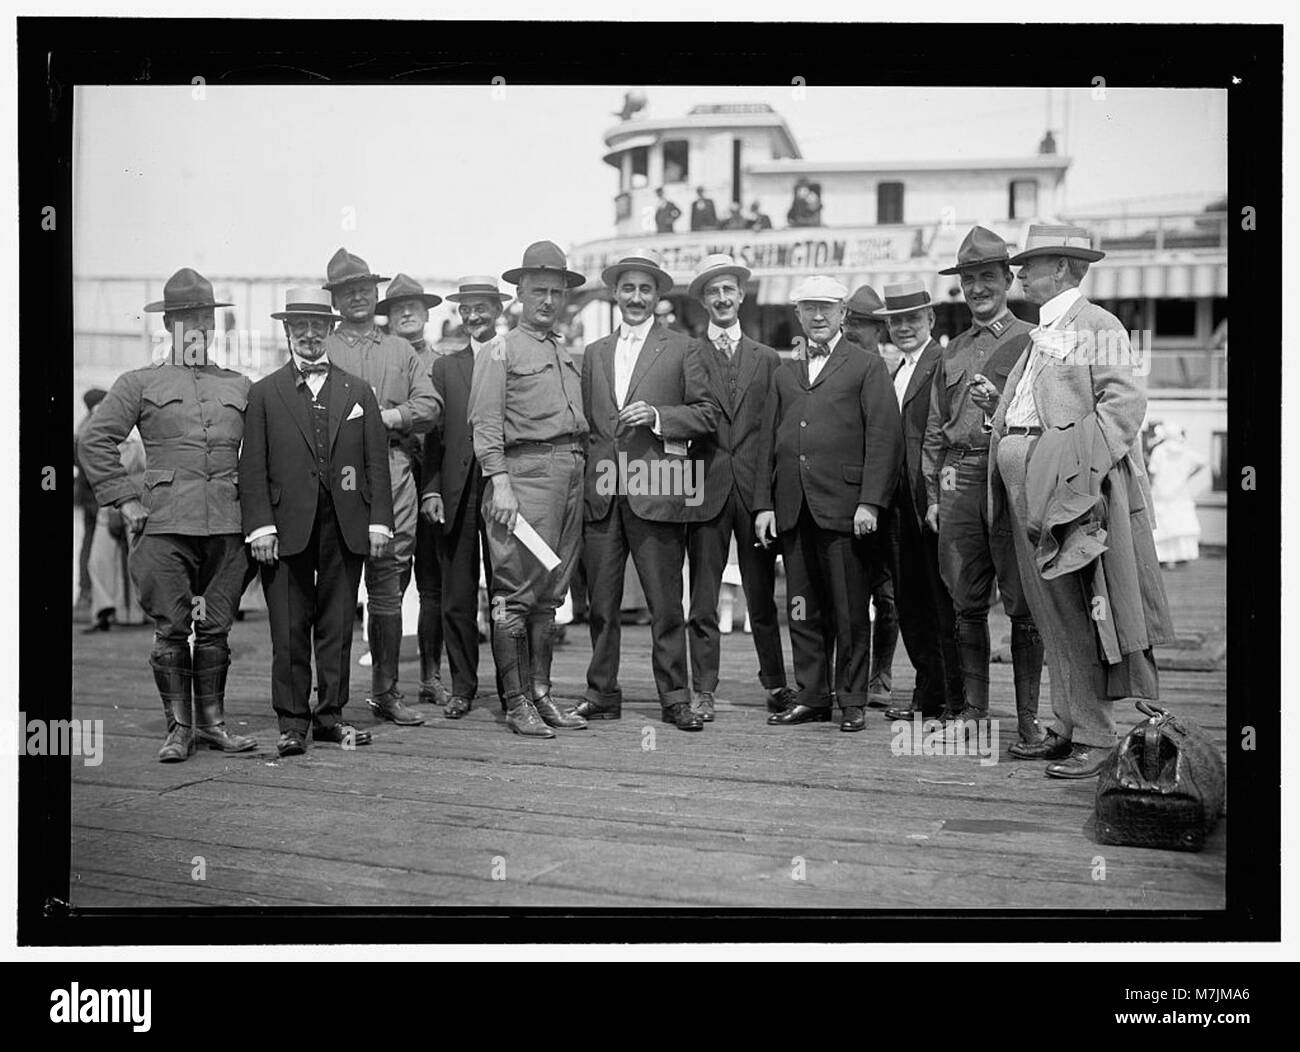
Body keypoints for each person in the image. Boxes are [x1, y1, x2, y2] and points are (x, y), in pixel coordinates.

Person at [992, 224, 1175, 777]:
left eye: (1032, 264)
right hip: (1025, 483)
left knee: (1081, 609)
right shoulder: (1040, 334)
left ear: (1065, 270)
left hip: (1066, 491)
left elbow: (1122, 406)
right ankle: (1069, 725)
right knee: (1051, 612)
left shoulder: (1097, 324)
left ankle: (1096, 737)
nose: (1020, 274)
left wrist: (1074, 472)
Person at [79, 267, 257, 762]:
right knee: (171, 629)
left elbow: (263, 454)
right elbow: (96, 440)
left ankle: (214, 725)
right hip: (163, 528)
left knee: (216, 628)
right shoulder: (139, 383)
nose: (196, 325)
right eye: (184, 318)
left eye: (203, 315)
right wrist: (125, 499)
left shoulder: (241, 386)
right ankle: (179, 729)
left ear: (215, 324)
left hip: (227, 526)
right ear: (169, 326)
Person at [569, 252, 720, 732]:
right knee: (602, 605)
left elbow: (708, 414)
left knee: (665, 604)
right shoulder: (593, 353)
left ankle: (675, 697)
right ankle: (602, 692)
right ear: (615, 294)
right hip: (603, 495)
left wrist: (658, 417)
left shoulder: (683, 348)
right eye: (628, 289)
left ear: (658, 298)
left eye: (645, 290)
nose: (636, 298)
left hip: (657, 489)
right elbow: (591, 430)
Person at [240, 288, 394, 757]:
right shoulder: (265, 393)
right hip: (285, 527)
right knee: (287, 626)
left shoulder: (357, 390)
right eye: (299, 326)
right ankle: (291, 722)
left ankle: (330, 717)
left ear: (329, 330)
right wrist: (260, 527)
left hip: (344, 524)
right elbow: (252, 467)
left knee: (336, 624)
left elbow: (375, 464)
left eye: (317, 326)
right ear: (287, 331)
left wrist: (379, 523)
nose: (309, 334)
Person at [754, 276, 902, 733]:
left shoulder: (865, 366)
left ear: (842, 314)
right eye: (809, 308)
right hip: (794, 510)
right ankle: (812, 695)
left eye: (827, 308)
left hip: (845, 510)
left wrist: (871, 503)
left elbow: (884, 438)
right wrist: (764, 506)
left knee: (850, 608)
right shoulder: (784, 373)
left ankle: (853, 698)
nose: (818, 316)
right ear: (797, 314)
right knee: (801, 607)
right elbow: (767, 445)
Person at [922, 227, 1046, 743]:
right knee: (964, 599)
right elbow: (934, 428)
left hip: (1011, 473)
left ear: (1006, 279)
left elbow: (1048, 417)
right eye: (969, 279)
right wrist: (933, 494)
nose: (977, 288)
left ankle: (1028, 721)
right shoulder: (952, 352)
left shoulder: (1032, 342)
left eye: (987, 277)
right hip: (959, 478)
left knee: (1022, 599)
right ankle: (973, 711)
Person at [469, 241, 590, 738]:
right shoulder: (501, 349)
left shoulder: (560, 351)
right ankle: (516, 701)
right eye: (538, 291)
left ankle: (541, 694)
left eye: (555, 292)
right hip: (524, 477)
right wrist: (500, 483)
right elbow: (485, 422)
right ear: (518, 294)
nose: (547, 300)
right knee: (513, 595)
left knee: (548, 595)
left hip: (569, 474)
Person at [321, 249, 441, 728]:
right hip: (336, 478)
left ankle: (386, 693)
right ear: (335, 299)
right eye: (347, 290)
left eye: (365, 288)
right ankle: (328, 700)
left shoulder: (401, 350)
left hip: (393, 474)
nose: (358, 296)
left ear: (376, 293)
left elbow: (430, 405)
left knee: (388, 589)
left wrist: (391, 417)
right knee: (333, 589)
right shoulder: (324, 349)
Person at [683, 254, 792, 719]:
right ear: (704, 300)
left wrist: (770, 497)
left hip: (755, 493)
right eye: (713, 292)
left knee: (762, 596)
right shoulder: (688, 354)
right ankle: (703, 688)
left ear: (741, 296)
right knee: (703, 598)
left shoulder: (767, 359)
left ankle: (775, 683)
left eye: (729, 290)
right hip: (705, 489)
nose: (723, 299)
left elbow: (779, 429)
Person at [873, 280, 965, 723]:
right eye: (896, 321)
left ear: (930, 320)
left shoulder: (942, 363)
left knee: (940, 600)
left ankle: (952, 696)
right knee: (908, 601)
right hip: (897, 504)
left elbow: (947, 435)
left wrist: (938, 496)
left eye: (912, 319)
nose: (904, 328)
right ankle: (927, 691)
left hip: (928, 501)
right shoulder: (895, 369)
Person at [422, 276, 513, 718]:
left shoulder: (512, 355)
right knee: (456, 595)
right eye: (467, 309)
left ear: (498, 310)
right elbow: (434, 440)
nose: (475, 315)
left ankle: (512, 688)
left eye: (483, 307)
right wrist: (433, 489)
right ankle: (462, 686)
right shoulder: (444, 367)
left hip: (501, 488)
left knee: (506, 592)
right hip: (456, 492)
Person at [376, 273, 450, 706]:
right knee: (390, 579)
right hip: (394, 476)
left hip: (435, 481)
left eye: (415, 307)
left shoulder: (444, 363)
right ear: (387, 316)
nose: (407, 312)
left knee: (434, 584)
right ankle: (386, 683)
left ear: (426, 313)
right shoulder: (383, 359)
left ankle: (431, 675)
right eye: (398, 307)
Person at [841, 284, 898, 707]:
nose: (855, 331)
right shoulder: (834, 367)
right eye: (853, 323)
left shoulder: (896, 370)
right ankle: (848, 676)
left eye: (865, 325)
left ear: (881, 329)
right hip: (845, 498)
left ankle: (880, 674)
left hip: (890, 502)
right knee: (846, 592)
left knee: (889, 596)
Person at [83, 426, 148, 632]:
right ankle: (103, 609)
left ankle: (141, 612)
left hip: (134, 503)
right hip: (108, 505)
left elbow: (143, 474)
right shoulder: (95, 437)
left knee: (140, 560)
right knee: (98, 560)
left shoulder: (137, 443)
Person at [1147, 422, 1207, 567]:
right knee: (1180, 522)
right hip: (1180, 493)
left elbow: (1153, 472)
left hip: (1161, 492)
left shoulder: (1160, 450)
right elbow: (1203, 462)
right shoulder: (1185, 450)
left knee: (1163, 524)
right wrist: (1188, 476)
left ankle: (1164, 558)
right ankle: (1181, 555)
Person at [74, 387, 108, 618]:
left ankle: (88, 596)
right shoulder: (92, 428)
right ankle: (90, 597)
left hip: (88, 494)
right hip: (95, 495)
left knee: (90, 543)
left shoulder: (83, 426)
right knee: (97, 547)